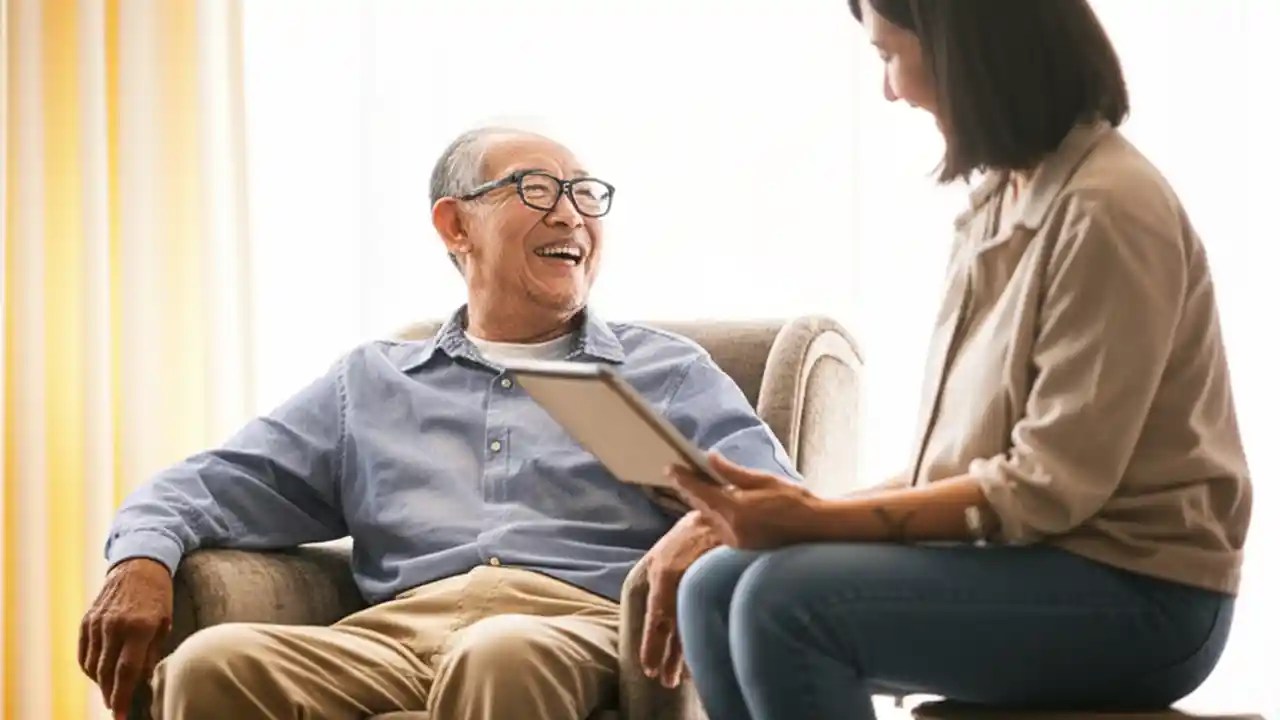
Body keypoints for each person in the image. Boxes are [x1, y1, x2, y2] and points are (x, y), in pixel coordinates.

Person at [79, 127, 798, 720]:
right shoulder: (372, 382)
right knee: (211, 665)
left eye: (585, 194)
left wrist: (704, 520)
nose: (571, 213)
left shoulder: (662, 371)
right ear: (456, 225)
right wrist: (141, 558)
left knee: (502, 651)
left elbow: (779, 500)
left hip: (569, 626)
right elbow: (209, 485)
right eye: (537, 188)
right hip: (393, 634)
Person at [671, 2, 1252, 719]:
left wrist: (813, 518)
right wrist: (779, 513)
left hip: (1145, 591)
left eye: (890, 55)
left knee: (784, 604)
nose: (891, 89)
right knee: (713, 586)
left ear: (966, 52)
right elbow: (954, 470)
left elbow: (1043, 489)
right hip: (1029, 562)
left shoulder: (1109, 209)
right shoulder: (1000, 204)